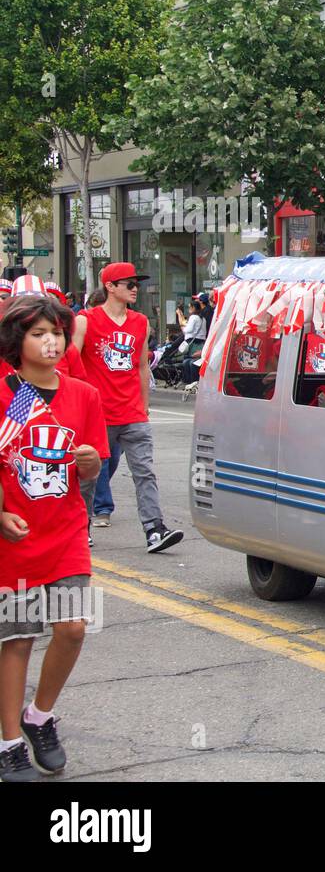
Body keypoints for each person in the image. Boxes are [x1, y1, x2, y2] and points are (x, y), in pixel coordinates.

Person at [0, 294, 108, 781]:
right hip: (13, 538)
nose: (50, 342)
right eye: (38, 333)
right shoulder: (6, 394)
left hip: (65, 533)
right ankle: (7, 746)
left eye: (57, 333)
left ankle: (38, 717)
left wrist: (90, 464)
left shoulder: (83, 395)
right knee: (18, 637)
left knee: (72, 628)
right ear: (16, 341)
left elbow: (91, 468)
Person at [71, 262, 182, 553]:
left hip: (132, 412)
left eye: (137, 284)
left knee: (144, 472)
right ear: (110, 286)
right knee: (89, 475)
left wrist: (144, 405)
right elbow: (70, 363)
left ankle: (154, 529)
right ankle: (79, 529)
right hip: (97, 413)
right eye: (129, 284)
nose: (135, 289)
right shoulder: (85, 320)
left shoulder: (140, 322)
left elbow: (142, 368)